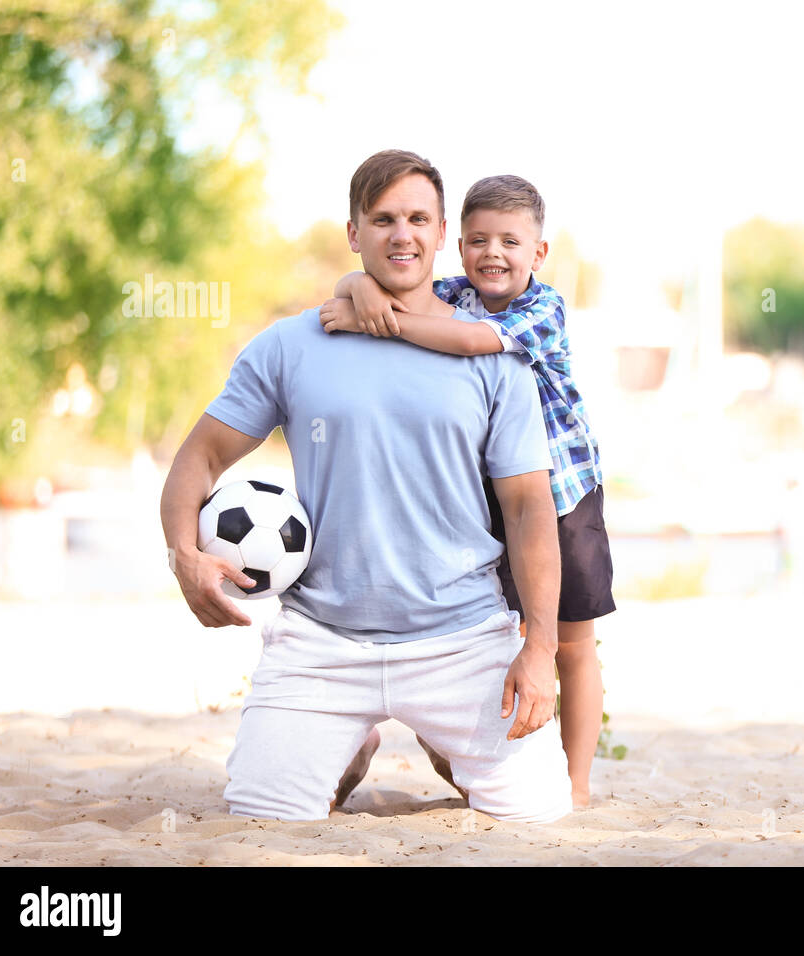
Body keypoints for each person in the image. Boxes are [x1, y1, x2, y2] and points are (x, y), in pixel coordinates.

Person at [159, 149, 573, 824]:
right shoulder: (292, 345)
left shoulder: (494, 353)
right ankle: (350, 742)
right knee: (262, 820)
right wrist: (184, 554)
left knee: (537, 819)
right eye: (382, 219)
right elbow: (198, 460)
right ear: (354, 233)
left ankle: (448, 746)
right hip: (322, 640)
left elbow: (529, 509)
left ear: (443, 233)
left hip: (463, 640)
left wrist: (541, 648)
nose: (401, 234)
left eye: (417, 218)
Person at [319, 174, 614, 808]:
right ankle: (488, 756)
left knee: (571, 643)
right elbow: (377, 283)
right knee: (497, 632)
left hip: (561, 497)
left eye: (511, 240)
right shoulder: (454, 293)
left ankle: (579, 781)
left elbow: (473, 342)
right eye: (478, 239)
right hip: (488, 499)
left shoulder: (542, 309)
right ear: (459, 248)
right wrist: (359, 286)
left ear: (539, 253)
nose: (493, 254)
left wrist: (380, 322)